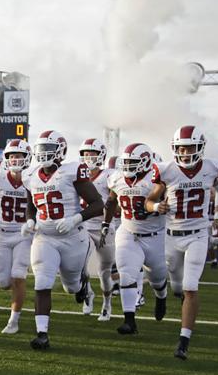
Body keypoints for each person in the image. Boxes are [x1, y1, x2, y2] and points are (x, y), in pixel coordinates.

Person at [145, 125, 218, 360]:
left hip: (198, 234)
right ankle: (171, 299)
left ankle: (183, 341)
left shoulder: (212, 167)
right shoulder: (166, 170)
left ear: (200, 148)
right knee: (178, 287)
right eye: (181, 148)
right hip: (171, 236)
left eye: (190, 148)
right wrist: (156, 206)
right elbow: (149, 201)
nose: (185, 153)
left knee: (191, 287)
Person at [22, 130, 104, 349]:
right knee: (42, 281)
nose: (43, 153)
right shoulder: (29, 175)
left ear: (61, 151)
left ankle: (83, 285)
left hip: (72, 238)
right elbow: (31, 205)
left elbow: (98, 204)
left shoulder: (72, 171)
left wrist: (75, 218)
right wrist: (29, 221)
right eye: (41, 149)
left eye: (48, 149)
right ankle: (42, 334)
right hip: (45, 237)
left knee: (71, 287)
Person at [101, 143, 169, 335]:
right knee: (126, 274)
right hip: (128, 232)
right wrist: (106, 223)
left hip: (155, 235)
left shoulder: (156, 179)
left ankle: (161, 297)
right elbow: (112, 200)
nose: (128, 166)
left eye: (133, 162)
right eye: (126, 162)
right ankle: (129, 321)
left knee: (157, 279)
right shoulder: (116, 179)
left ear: (146, 162)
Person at [0, 139, 34, 333]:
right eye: (11, 156)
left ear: (27, 158)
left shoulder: (33, 178)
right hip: (3, 236)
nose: (14, 159)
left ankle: (14, 321)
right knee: (4, 283)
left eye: (18, 156)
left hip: (24, 234)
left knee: (18, 275)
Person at [78, 138, 116, 320]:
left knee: (105, 271)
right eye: (85, 154)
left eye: (92, 153)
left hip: (104, 227)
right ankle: (88, 293)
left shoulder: (109, 175)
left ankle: (107, 304)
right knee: (79, 265)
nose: (89, 157)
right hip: (84, 226)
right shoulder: (76, 175)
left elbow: (115, 202)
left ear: (101, 155)